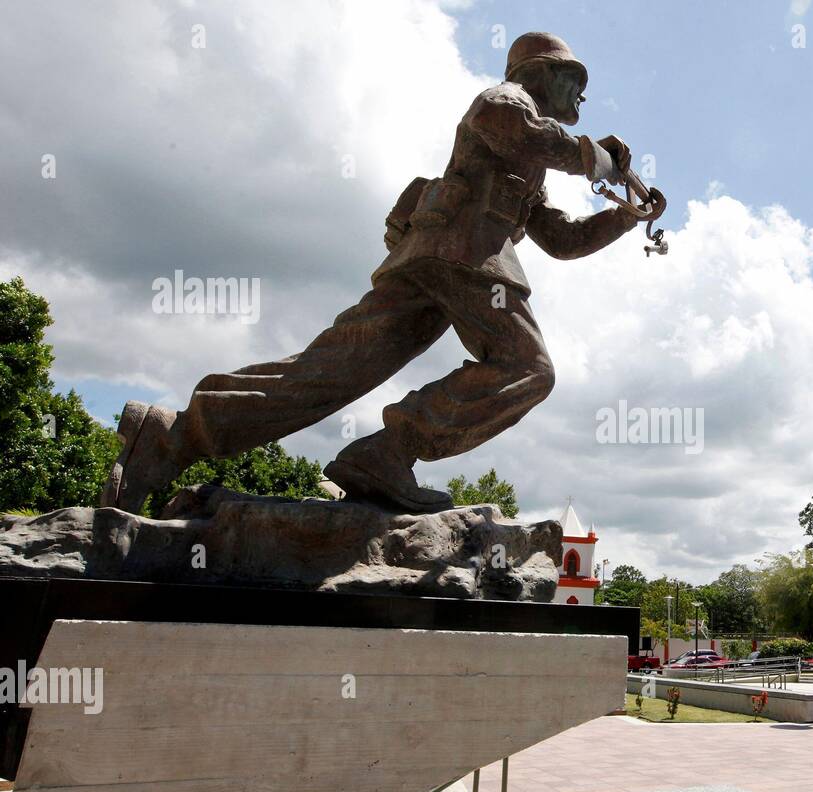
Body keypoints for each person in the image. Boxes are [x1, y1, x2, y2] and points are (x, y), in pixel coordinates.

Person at [101, 32, 658, 514]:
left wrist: (627, 214)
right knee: (526, 368)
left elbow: (560, 239)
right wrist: (597, 157)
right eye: (572, 76)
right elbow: (516, 129)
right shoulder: (505, 100)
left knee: (328, 371)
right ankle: (387, 454)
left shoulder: (532, 162)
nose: (582, 91)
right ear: (540, 73)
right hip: (462, 259)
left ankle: (173, 436)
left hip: (434, 265)